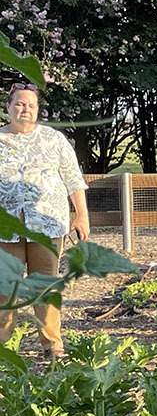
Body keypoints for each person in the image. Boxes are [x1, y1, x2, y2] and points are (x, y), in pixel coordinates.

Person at [0, 83, 89, 360]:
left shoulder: (53, 139)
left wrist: (82, 215)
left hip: (47, 225)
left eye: (31, 105)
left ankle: (52, 345)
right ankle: (4, 345)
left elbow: (73, 178)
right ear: (8, 107)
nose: (25, 110)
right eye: (19, 104)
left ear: (37, 110)